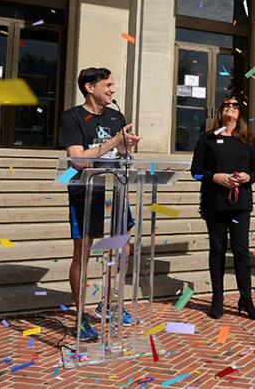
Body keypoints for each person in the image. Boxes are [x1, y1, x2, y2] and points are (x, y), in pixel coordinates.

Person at [59, 67, 142, 340]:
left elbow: (120, 152)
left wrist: (126, 146)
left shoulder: (116, 116)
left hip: (114, 188)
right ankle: (81, 315)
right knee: (83, 250)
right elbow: (77, 160)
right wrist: (113, 142)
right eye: (107, 85)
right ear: (89, 87)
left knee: (123, 246)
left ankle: (108, 303)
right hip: (85, 191)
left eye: (112, 85)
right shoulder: (72, 117)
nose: (112, 90)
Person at [191, 96, 255, 320]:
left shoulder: (248, 140)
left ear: (240, 113)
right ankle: (217, 298)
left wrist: (248, 177)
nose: (230, 108)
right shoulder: (208, 138)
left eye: (234, 106)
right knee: (217, 250)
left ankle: (246, 300)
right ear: (220, 111)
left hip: (240, 203)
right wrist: (216, 177)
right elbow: (195, 171)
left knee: (241, 252)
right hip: (215, 202)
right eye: (226, 105)